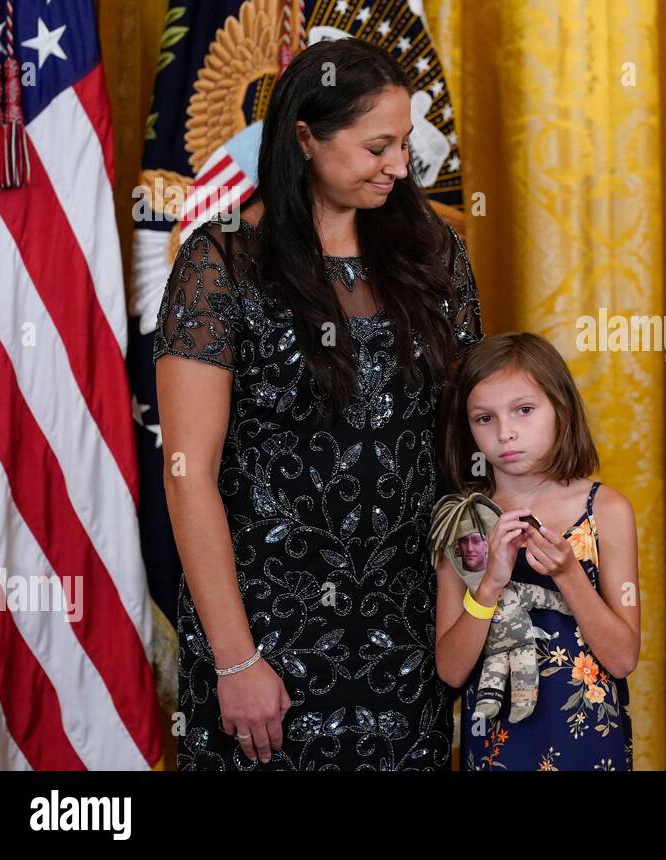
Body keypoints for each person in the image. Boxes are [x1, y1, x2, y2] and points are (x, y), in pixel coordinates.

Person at [154, 38, 483, 770]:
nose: (401, 165)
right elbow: (187, 473)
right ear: (304, 138)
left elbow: (468, 448)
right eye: (377, 146)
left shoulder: (435, 253)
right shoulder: (222, 263)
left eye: (403, 143)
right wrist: (236, 663)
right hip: (265, 643)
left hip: (409, 638)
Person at [436, 332, 639, 770]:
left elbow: (623, 658)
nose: (505, 433)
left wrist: (568, 574)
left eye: (524, 410)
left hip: (588, 741)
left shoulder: (606, 510)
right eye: (483, 418)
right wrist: (488, 586)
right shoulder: (463, 520)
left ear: (561, 410)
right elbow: (451, 670)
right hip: (497, 744)